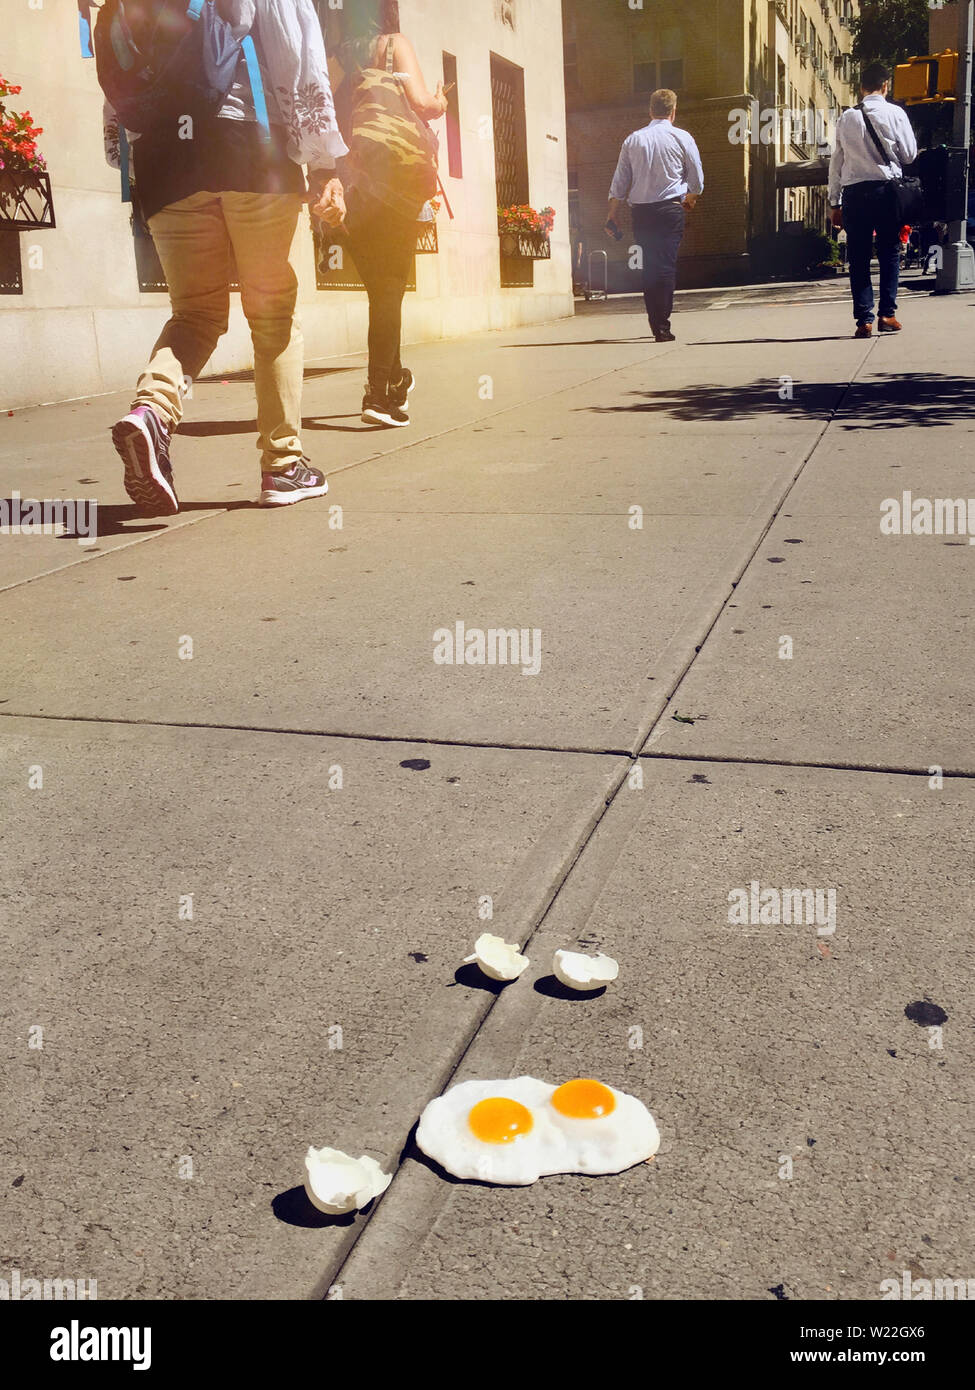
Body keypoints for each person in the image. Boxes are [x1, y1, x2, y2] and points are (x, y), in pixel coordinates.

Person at [105, 0, 348, 513]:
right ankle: (283, 466)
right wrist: (324, 165)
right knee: (272, 310)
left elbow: (122, 94)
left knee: (195, 314)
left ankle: (151, 412)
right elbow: (298, 54)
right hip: (252, 153)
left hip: (166, 166)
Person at [325, 19, 447, 427]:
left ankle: (395, 378)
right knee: (390, 288)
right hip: (394, 181)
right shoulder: (393, 44)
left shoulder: (339, 56)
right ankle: (377, 396)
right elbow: (424, 105)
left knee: (380, 291)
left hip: (352, 181)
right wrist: (440, 101)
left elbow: (319, 103)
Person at [605, 88, 704, 343]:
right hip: (671, 209)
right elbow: (697, 178)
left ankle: (656, 324)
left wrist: (612, 213)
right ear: (673, 111)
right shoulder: (682, 137)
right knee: (666, 265)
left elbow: (620, 180)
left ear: (650, 111)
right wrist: (691, 198)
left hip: (642, 212)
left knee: (649, 265)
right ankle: (663, 325)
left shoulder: (633, 140)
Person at [828, 61, 918, 338]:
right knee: (890, 251)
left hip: (854, 193)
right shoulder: (895, 113)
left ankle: (863, 320)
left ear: (861, 88)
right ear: (886, 85)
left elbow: (837, 162)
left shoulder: (847, 117)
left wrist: (835, 202)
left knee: (858, 256)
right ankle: (887, 314)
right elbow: (910, 155)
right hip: (886, 191)